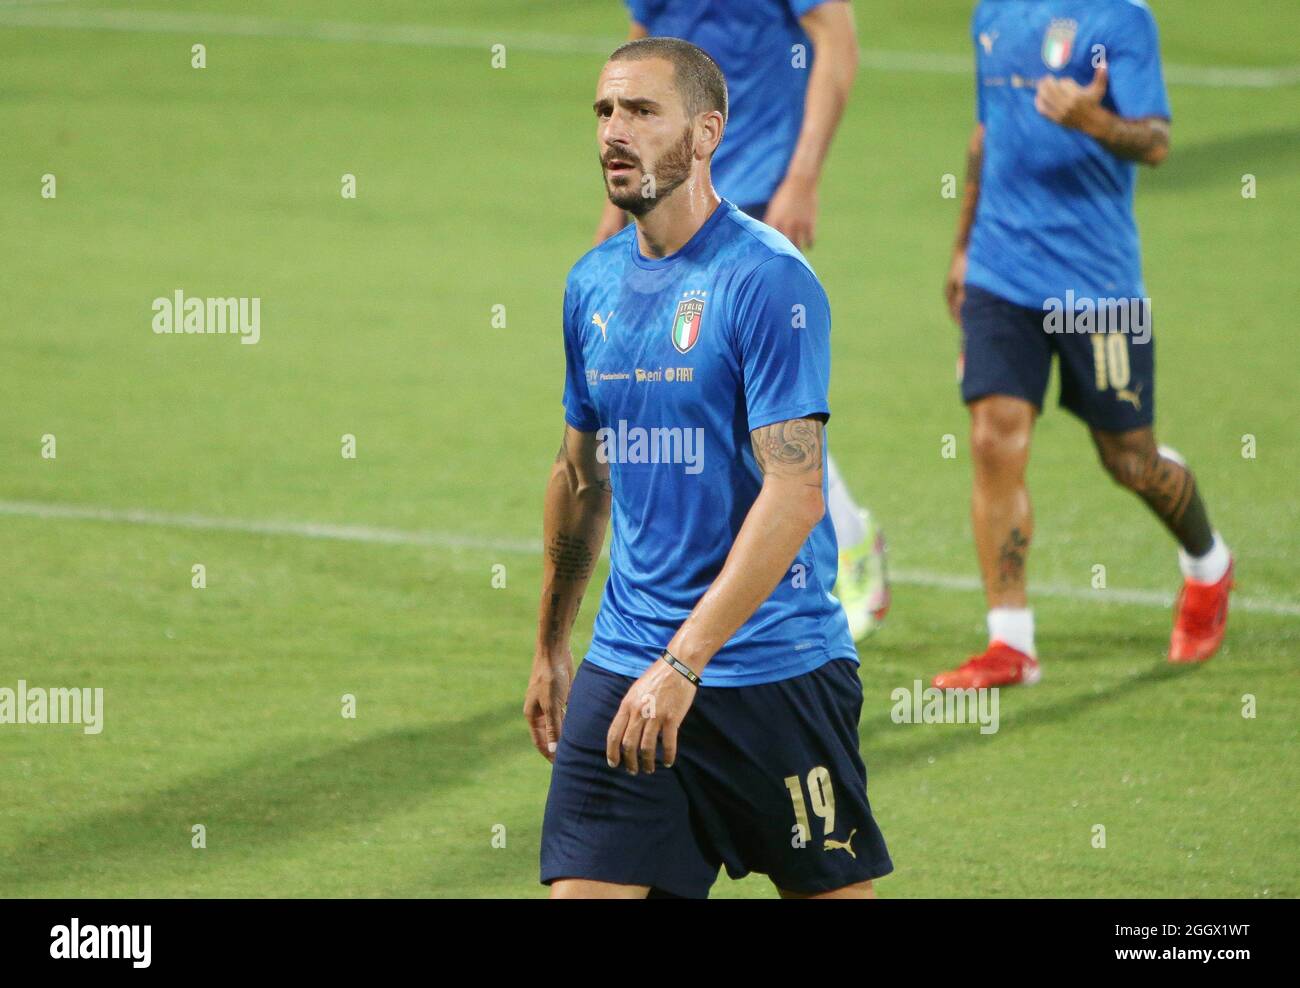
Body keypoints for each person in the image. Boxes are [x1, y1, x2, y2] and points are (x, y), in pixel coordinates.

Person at [526, 37, 891, 898]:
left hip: (773, 670)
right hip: (627, 662)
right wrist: (550, 644)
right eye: (605, 112)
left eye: (642, 112)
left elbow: (796, 494)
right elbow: (582, 480)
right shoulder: (592, 285)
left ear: (706, 132)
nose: (615, 132)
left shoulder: (767, 281)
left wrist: (685, 665)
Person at [934, 0, 1233, 690]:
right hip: (1000, 270)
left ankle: (1208, 566)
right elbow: (986, 134)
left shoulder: (1121, 21)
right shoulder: (994, 14)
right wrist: (961, 247)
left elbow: (1155, 141)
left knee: (1129, 460)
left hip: (1095, 285)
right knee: (991, 436)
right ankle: (1012, 643)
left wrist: (1089, 118)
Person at [593, 0, 890, 641]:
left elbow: (837, 45)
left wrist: (803, 174)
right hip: (671, 189)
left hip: (753, 194)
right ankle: (814, 544)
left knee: (759, 390)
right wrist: (620, 210)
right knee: (692, 386)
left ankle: (844, 548)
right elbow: (639, 64)